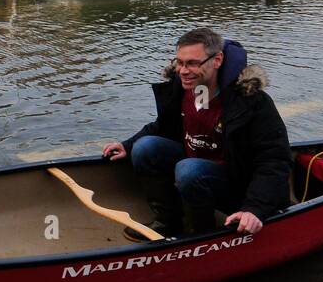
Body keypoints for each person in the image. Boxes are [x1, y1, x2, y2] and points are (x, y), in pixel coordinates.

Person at [101, 27, 291, 239]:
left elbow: (275, 160)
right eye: (180, 62)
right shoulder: (185, 88)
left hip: (237, 186)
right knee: (145, 148)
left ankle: (202, 234)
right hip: (195, 171)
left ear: (217, 60)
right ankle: (167, 222)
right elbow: (165, 126)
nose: (183, 71)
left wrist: (255, 209)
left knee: (188, 169)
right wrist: (127, 145)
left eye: (192, 63)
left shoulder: (252, 102)